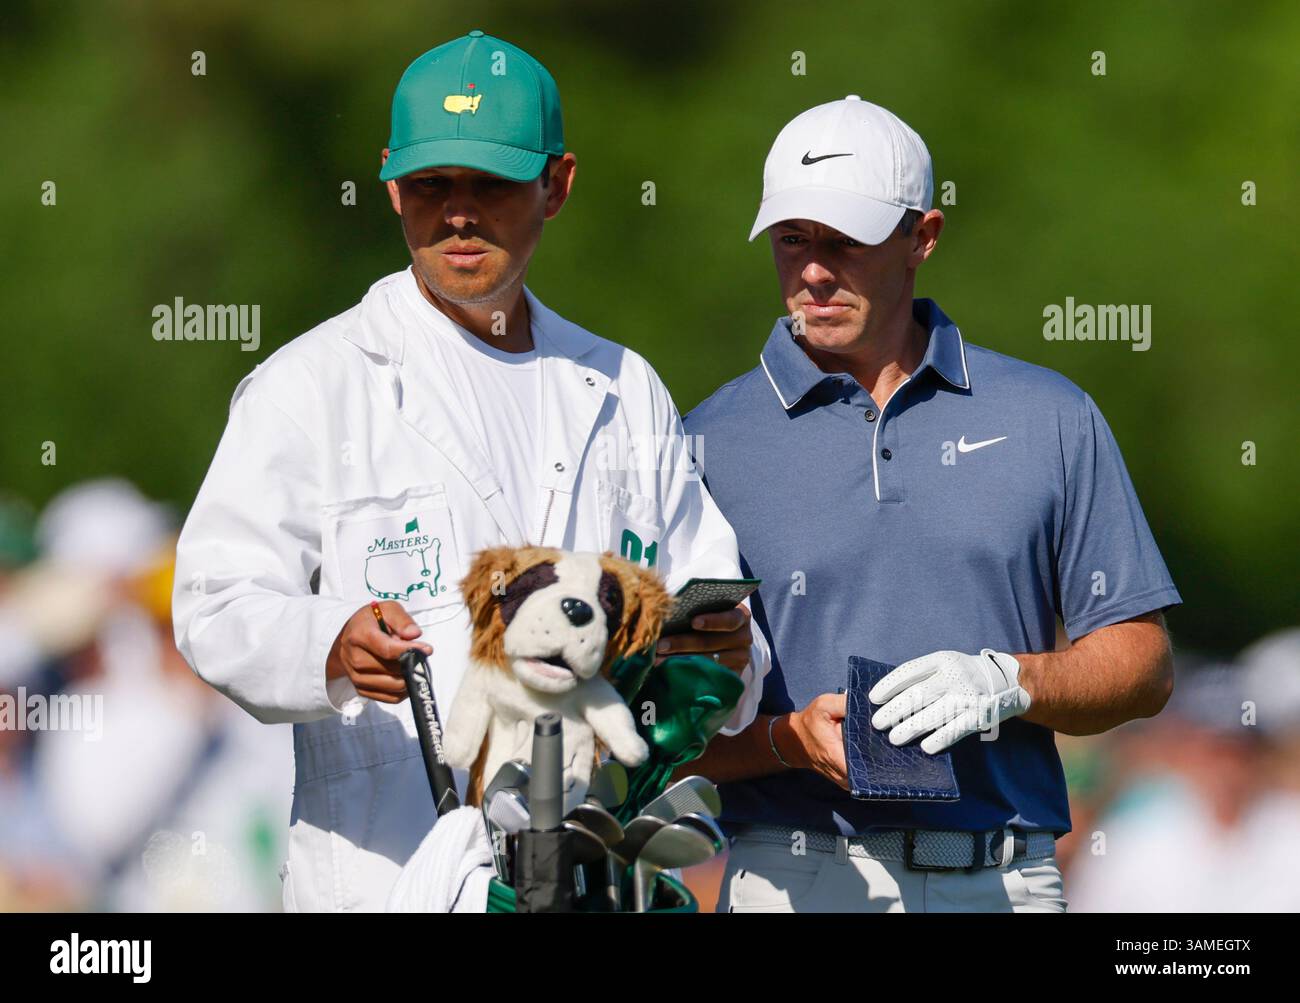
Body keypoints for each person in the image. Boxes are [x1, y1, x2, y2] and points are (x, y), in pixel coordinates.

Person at [173, 30, 768, 912]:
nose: (457, 213)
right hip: (387, 881)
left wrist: (724, 653)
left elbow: (727, 638)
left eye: (489, 184)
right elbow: (214, 605)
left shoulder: (621, 387)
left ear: (557, 185)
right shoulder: (312, 386)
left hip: (598, 880)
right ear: (389, 185)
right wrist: (329, 641)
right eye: (430, 186)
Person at [681, 96, 1180, 912]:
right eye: (792, 239)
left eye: (844, 240)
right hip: (796, 878)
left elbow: (1144, 665)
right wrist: (786, 741)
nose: (811, 270)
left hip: (1003, 880)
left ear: (923, 237)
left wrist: (1009, 681)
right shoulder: (704, 441)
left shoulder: (1049, 416)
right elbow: (659, 729)